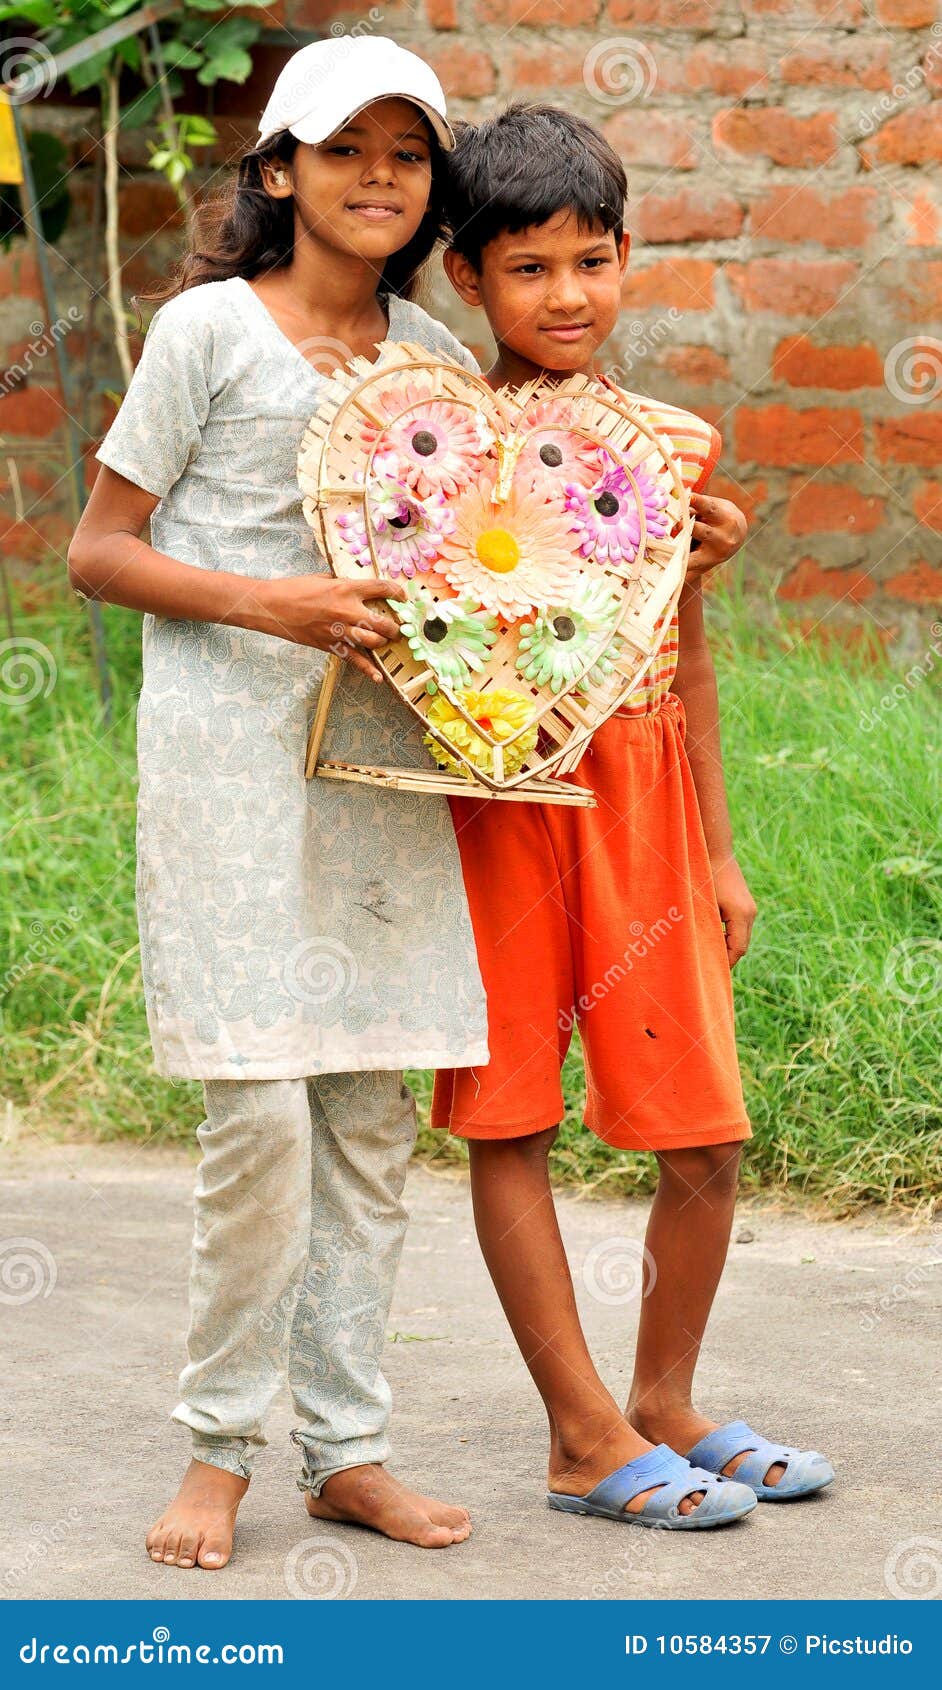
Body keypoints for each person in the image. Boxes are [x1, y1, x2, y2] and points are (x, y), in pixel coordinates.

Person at [67, 36, 493, 1570]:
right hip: (230, 770)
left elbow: (475, 582)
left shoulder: (435, 368)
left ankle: (350, 1446)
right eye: (345, 149)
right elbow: (97, 554)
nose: (380, 176)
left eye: (408, 153)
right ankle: (214, 1449)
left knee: (371, 1123)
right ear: (278, 172)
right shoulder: (205, 333)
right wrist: (272, 605)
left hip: (382, 777)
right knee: (257, 1116)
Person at [431, 104, 835, 1527]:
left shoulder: (671, 445)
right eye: (526, 268)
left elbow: (694, 652)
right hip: (500, 804)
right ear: (462, 279)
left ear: (627, 259)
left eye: (591, 260)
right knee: (509, 1120)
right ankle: (579, 1431)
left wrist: (717, 850)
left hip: (646, 799)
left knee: (706, 1137)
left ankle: (663, 1394)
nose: (566, 296)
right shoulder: (425, 450)